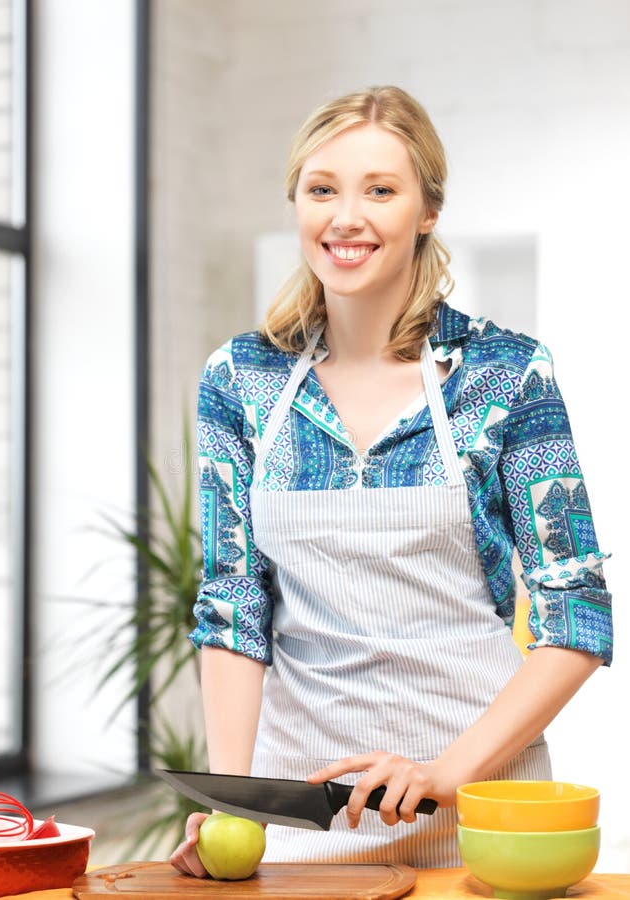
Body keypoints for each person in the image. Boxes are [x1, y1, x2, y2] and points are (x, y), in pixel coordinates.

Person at [171, 85, 612, 874]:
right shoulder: (240, 379)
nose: (346, 217)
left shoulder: (506, 374)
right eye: (321, 190)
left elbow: (575, 613)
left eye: (379, 190)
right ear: (297, 205)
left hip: (479, 803)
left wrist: (446, 773)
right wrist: (232, 804)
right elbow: (232, 601)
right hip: (305, 810)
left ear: (427, 210)